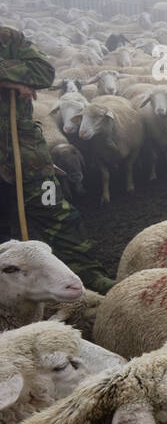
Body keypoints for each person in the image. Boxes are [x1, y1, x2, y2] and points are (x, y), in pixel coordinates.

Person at [0, 26, 116, 294]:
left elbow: (43, 71)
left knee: (60, 215)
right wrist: (12, 80)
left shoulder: (8, 38)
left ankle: (90, 277)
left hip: (28, 158)